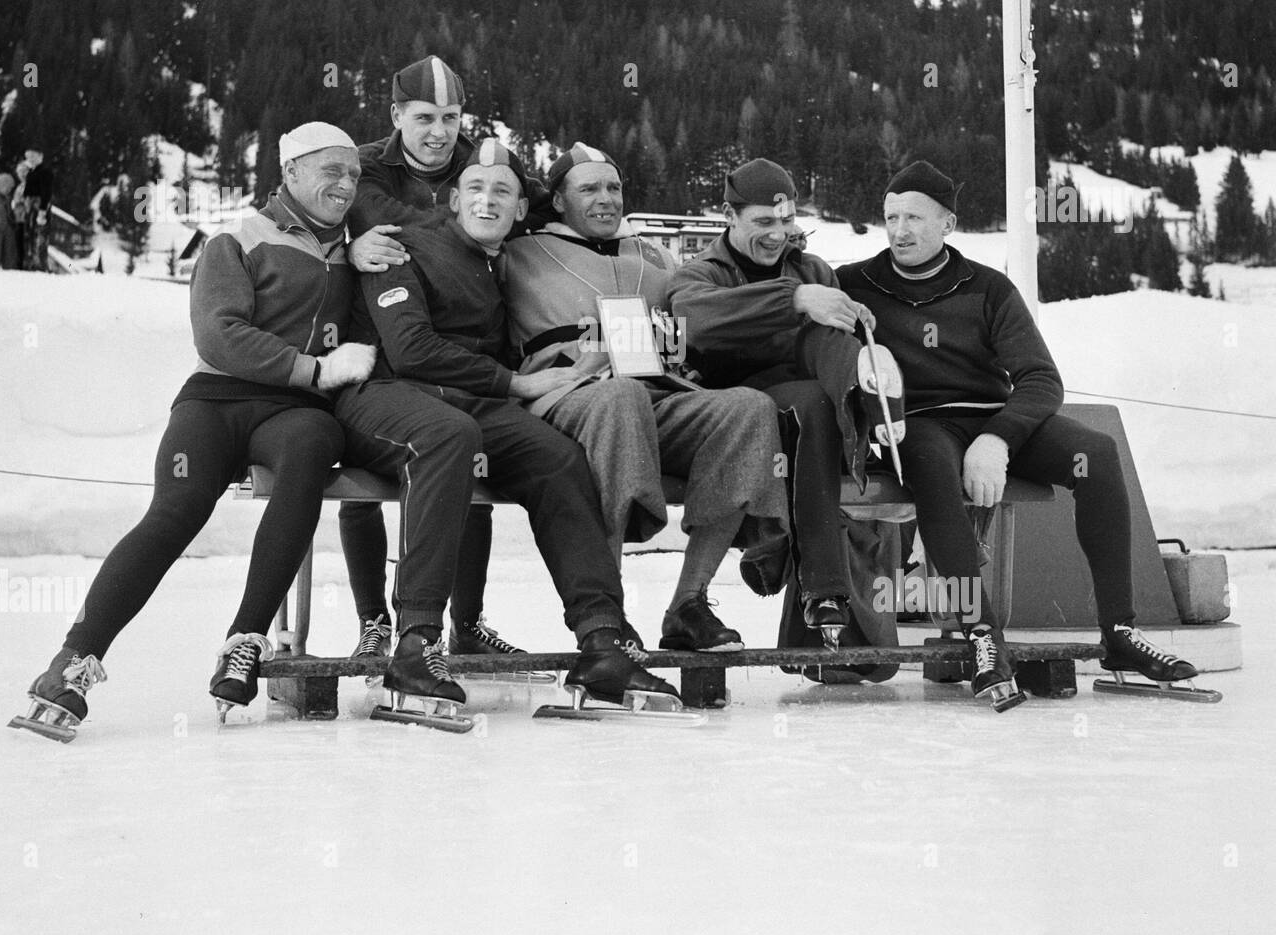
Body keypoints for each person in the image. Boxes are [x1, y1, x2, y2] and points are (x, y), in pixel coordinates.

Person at [10, 123, 384, 742]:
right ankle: (71, 663)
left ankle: (245, 641)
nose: (345, 183)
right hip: (217, 400)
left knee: (313, 452)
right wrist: (314, 368)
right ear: (289, 172)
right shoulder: (236, 240)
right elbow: (218, 333)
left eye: (353, 173)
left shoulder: (355, 252)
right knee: (176, 510)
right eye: (330, 170)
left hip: (294, 412)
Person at [837, 158, 1207, 707]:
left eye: (915, 217)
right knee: (930, 462)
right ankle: (983, 635)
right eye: (891, 216)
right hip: (917, 423)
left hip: (991, 417)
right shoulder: (854, 284)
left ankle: (1120, 633)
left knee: (1096, 453)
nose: (900, 230)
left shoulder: (987, 288)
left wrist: (999, 438)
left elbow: (1039, 378)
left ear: (948, 224)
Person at [336, 138, 681, 723]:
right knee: (448, 437)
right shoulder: (401, 249)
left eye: (503, 192)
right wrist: (516, 384)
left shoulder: (505, 259)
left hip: (472, 405)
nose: (488, 201)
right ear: (453, 200)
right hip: (389, 396)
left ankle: (603, 639)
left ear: (522, 210)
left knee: (556, 458)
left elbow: (581, 217)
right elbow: (411, 348)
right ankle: (417, 643)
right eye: (474, 188)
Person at [500, 142, 789, 652]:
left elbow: (696, 318)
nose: (606, 198)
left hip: (653, 392)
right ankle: (606, 614)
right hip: (566, 395)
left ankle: (689, 604)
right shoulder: (516, 251)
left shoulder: (653, 254)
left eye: (613, 187)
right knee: (620, 398)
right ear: (560, 201)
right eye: (588, 188)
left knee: (746, 408)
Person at [337, 56, 549, 666]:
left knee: (469, 456)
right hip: (375, 333)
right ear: (396, 114)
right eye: (424, 117)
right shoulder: (367, 166)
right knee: (371, 481)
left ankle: (467, 620)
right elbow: (328, 217)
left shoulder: (478, 162)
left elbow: (534, 205)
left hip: (450, 335)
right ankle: (375, 620)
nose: (438, 132)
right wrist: (349, 251)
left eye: (451, 118)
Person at [666, 158, 900, 652]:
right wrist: (793, 299)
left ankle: (876, 399)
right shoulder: (702, 273)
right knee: (811, 403)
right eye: (764, 223)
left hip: (815, 425)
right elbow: (692, 316)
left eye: (788, 221)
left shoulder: (813, 269)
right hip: (738, 417)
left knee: (824, 385)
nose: (779, 235)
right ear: (729, 217)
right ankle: (821, 584)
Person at [21, 148, 53, 270]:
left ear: (40, 156)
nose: (31, 159)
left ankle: (40, 266)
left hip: (40, 207)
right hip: (30, 207)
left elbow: (46, 192)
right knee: (30, 236)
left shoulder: (45, 171)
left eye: (33, 156)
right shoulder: (31, 172)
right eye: (28, 157)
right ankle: (31, 264)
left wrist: (42, 210)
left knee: (41, 238)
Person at [0, 171, 18, 269]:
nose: (9, 190)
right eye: (7, 187)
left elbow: (10, 213)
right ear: (0, 185)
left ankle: (9, 268)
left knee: (9, 251)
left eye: (10, 188)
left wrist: (13, 223)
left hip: (7, 227)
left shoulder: (7, 198)